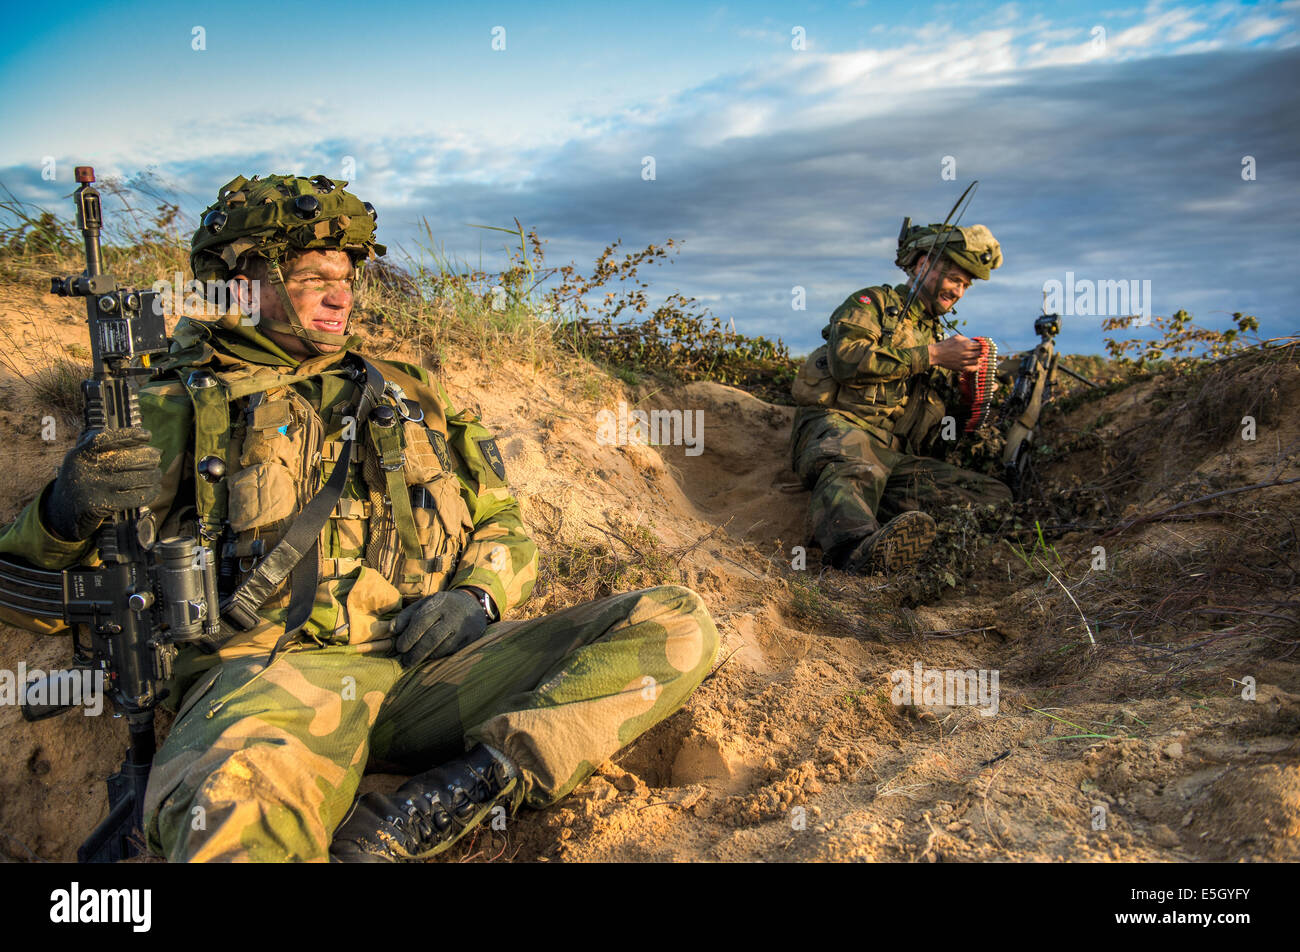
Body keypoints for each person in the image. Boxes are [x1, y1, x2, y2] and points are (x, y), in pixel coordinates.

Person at [0, 173, 719, 863]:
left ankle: (453, 795)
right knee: (236, 809)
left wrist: (477, 596)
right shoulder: (172, 407)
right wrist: (67, 509)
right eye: (313, 278)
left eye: (347, 278)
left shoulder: (410, 393)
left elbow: (501, 518)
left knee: (677, 622)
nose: (338, 296)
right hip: (270, 688)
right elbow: (41, 600)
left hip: (425, 669)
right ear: (240, 282)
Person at [789, 221, 1013, 575]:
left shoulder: (939, 335)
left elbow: (941, 432)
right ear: (923, 264)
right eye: (955, 278)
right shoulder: (875, 303)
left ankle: (900, 541)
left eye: (966, 285)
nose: (958, 291)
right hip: (843, 428)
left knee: (990, 496)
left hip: (895, 458)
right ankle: (855, 554)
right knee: (853, 465)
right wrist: (934, 356)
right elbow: (847, 359)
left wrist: (969, 392)